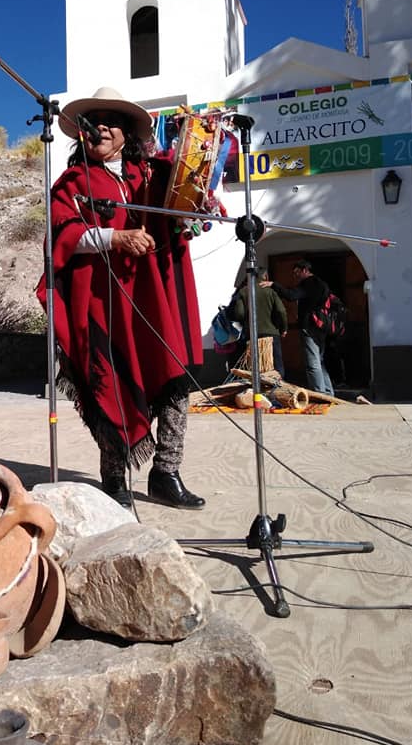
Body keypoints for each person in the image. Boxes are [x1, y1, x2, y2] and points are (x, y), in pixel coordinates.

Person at [38, 87, 205, 510]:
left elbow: (187, 201)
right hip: (103, 302)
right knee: (109, 384)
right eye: (92, 122)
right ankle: (113, 479)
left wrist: (198, 176)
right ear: (81, 134)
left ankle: (166, 472)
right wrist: (115, 237)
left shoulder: (151, 174)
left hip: (154, 294)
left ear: (127, 132)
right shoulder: (73, 183)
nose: (100, 129)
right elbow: (61, 236)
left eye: (110, 121)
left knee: (171, 378)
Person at [260, 259, 333, 393]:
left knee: (312, 363)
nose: (295, 276)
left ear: (305, 270)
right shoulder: (322, 284)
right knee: (319, 361)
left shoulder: (309, 283)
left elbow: (291, 295)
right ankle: (328, 392)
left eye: (297, 273)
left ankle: (320, 394)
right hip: (321, 327)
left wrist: (273, 284)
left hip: (310, 326)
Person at [231, 268, 288, 376]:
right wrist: (284, 328)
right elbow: (281, 311)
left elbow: (239, 314)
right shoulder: (270, 291)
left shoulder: (243, 291)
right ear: (265, 277)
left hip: (251, 334)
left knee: (254, 365)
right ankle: (278, 387)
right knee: (276, 365)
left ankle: (257, 388)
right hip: (271, 333)